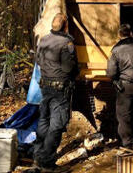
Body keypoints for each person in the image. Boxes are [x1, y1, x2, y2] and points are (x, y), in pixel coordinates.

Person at [33, 13, 77, 171]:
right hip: (60, 89)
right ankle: (47, 161)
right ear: (65, 26)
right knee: (57, 124)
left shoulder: (43, 40)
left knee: (44, 120)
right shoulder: (67, 43)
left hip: (45, 87)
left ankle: (38, 156)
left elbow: (38, 61)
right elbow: (69, 67)